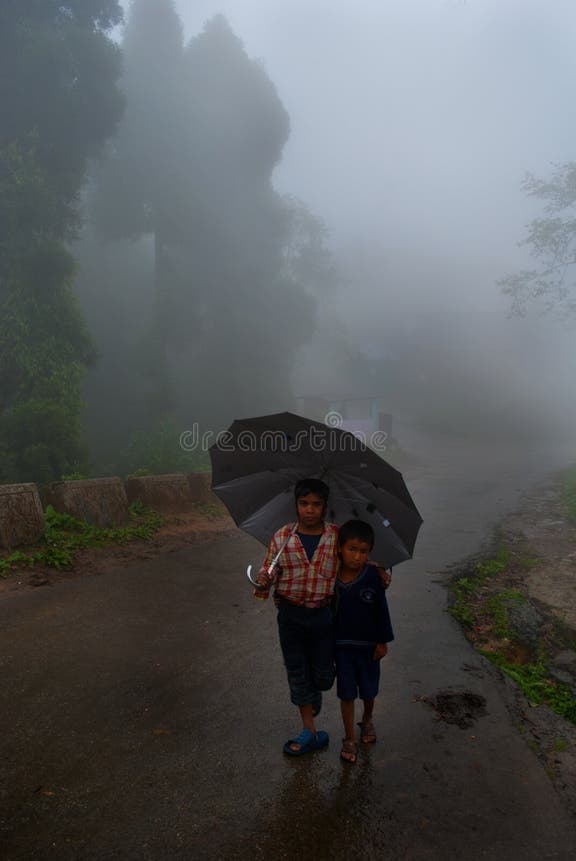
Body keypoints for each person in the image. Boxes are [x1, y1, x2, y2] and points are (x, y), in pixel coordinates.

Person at [254, 478, 339, 756]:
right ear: (296, 505)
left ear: (325, 506)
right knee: (297, 671)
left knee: (324, 676)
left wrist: (381, 572)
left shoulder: (337, 537)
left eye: (316, 504)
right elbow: (270, 569)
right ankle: (309, 730)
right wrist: (264, 579)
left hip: (323, 617)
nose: (310, 510)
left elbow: (357, 563)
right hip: (290, 616)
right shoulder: (283, 537)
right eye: (304, 504)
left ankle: (315, 692)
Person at [333, 519, 394, 764]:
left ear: (370, 553)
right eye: (352, 549)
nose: (357, 557)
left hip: (368, 647)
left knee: (368, 690)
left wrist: (382, 641)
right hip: (341, 647)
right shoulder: (331, 574)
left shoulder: (372, 577)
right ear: (339, 548)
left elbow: (381, 611)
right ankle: (349, 737)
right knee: (346, 694)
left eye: (363, 552)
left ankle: (367, 719)